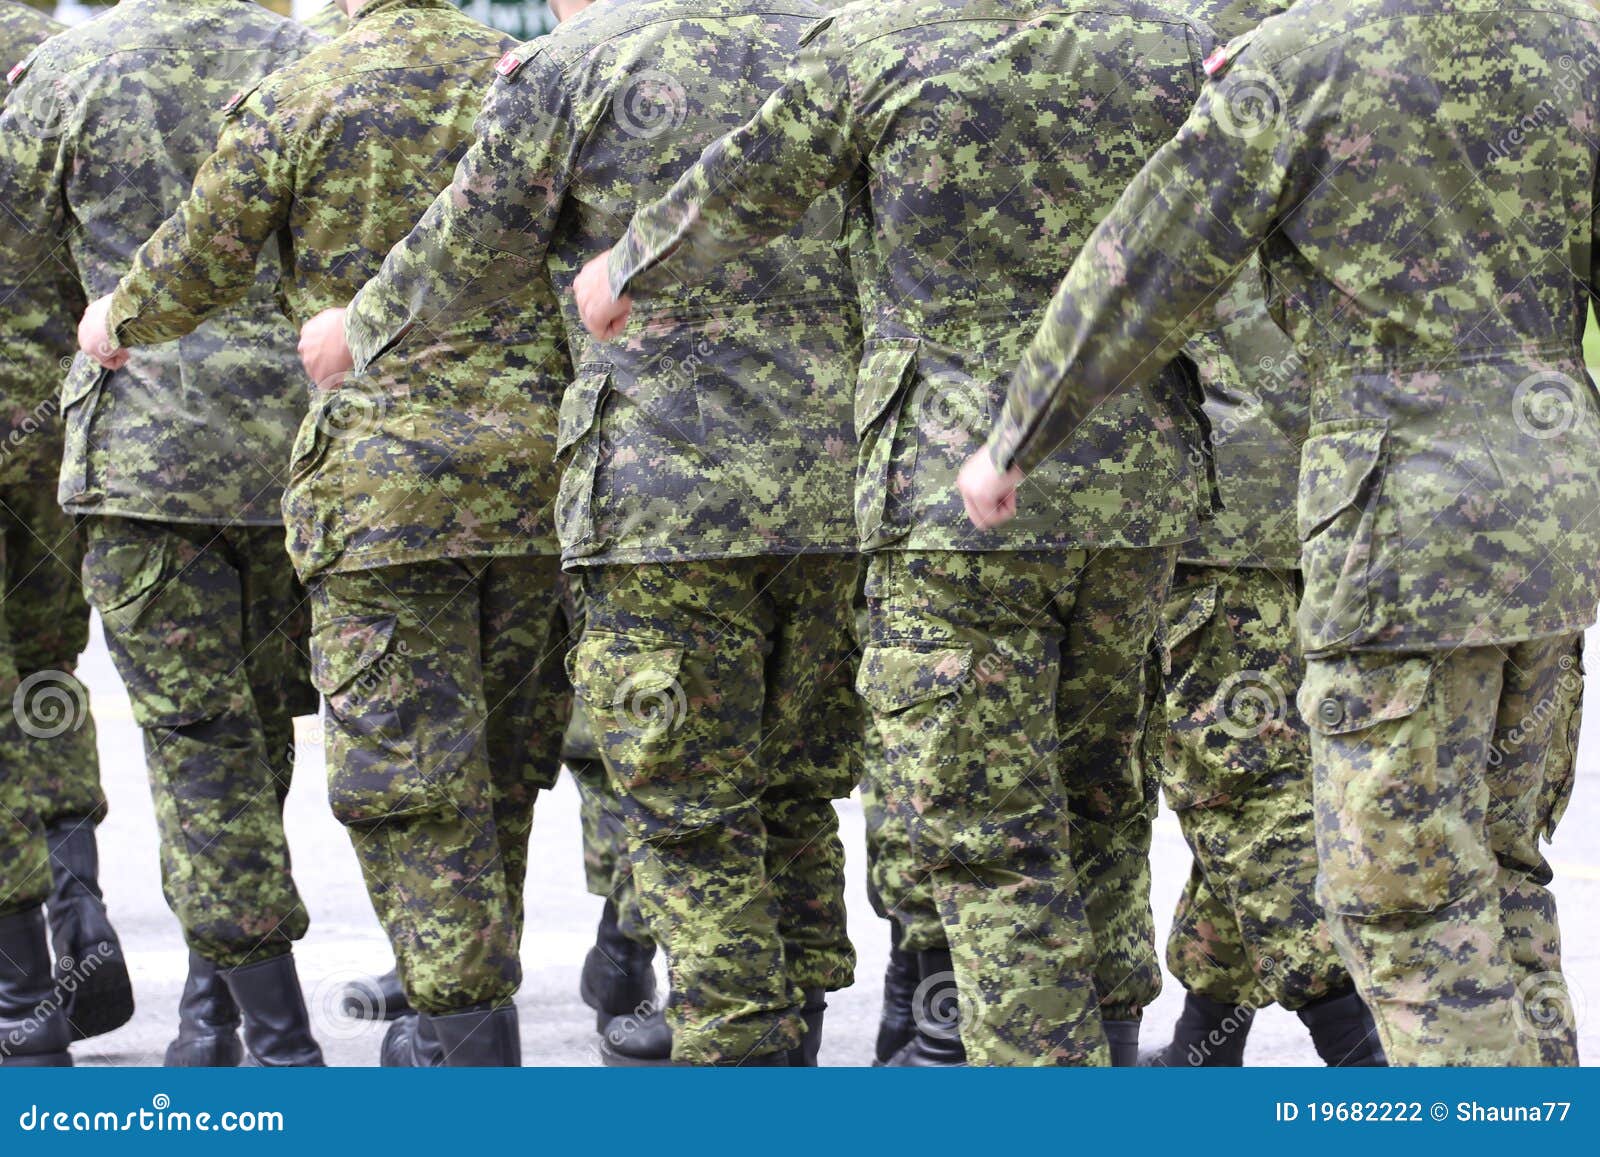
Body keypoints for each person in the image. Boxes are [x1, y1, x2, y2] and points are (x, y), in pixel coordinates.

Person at [576, 0, 1213, 1065]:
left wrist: (626, 266)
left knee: (990, 837)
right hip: (1133, 477)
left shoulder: (882, 43)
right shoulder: (1167, 41)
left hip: (955, 491)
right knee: (1102, 801)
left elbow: (749, 178)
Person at [961, 0, 1597, 1067]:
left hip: (1402, 526)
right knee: (1502, 871)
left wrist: (1018, 435)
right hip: (1557, 512)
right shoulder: (1570, 43)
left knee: (1412, 903)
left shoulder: (1300, 59)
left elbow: (1146, 261)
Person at [305, 0, 863, 1067]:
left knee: (692, 814)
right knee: (794, 793)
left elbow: (473, 239)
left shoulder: (577, 65)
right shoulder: (833, 43)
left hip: (664, 499)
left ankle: (741, 1078)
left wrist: (356, 328)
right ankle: (792, 1060)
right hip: (834, 489)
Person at [79, 0, 569, 1068]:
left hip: (385, 485)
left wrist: (117, 318)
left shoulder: (304, 90)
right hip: (538, 478)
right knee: (500, 760)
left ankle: (461, 1043)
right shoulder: (532, 74)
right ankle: (459, 1027)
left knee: (411, 774)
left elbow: (203, 258)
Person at [0, 0, 322, 1068]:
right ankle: (211, 1008)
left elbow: (21, 275)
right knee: (257, 729)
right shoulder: (307, 57)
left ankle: (247, 1031)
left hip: (144, 454)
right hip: (289, 444)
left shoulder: (69, 68)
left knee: (196, 742)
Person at [1133, 0, 1383, 1069]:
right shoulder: (1358, 47)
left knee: (1239, 782)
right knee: (1275, 774)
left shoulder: (1177, 53)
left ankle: (1362, 1045)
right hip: (1357, 479)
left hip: (1227, 495)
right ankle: (1205, 1045)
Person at [0, 0, 132, 1065]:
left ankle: (19, 992)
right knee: (46, 666)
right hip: (51, 409)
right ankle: (79, 912)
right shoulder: (62, 53)